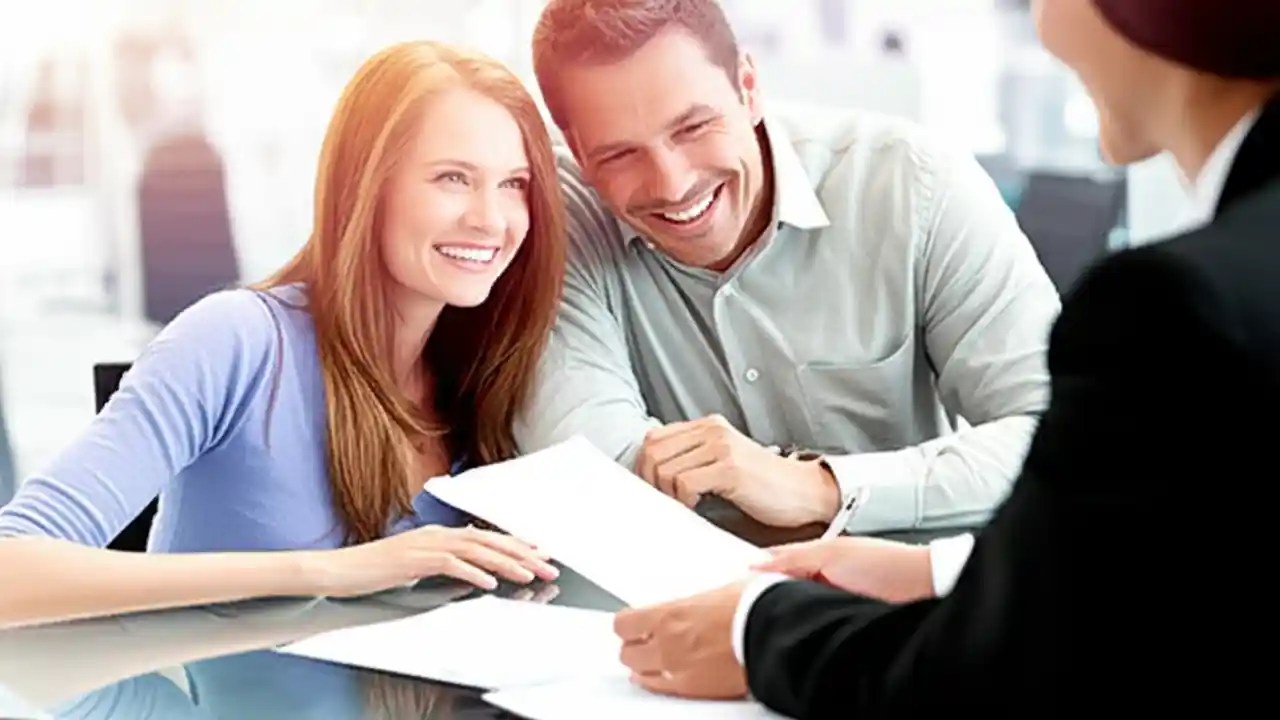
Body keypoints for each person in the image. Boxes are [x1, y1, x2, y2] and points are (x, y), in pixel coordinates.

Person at [612, 0, 1280, 713]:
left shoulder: (1173, 306)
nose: (1043, 26)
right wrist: (939, 571)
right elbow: (1174, 552)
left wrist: (758, 626)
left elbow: (987, 677)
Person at [0, 41, 566, 630]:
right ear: (366, 186)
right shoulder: (238, 342)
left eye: (514, 185)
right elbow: (8, 570)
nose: (491, 219)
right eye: (453, 178)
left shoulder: (490, 371)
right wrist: (328, 571)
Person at [515, 0, 1061, 542]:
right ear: (579, 156)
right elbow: (589, 476)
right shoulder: (558, 222)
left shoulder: (911, 186)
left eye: (694, 127)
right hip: (683, 608)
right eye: (619, 156)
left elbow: (1066, 434)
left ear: (748, 88)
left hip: (901, 605)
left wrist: (817, 487)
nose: (672, 184)